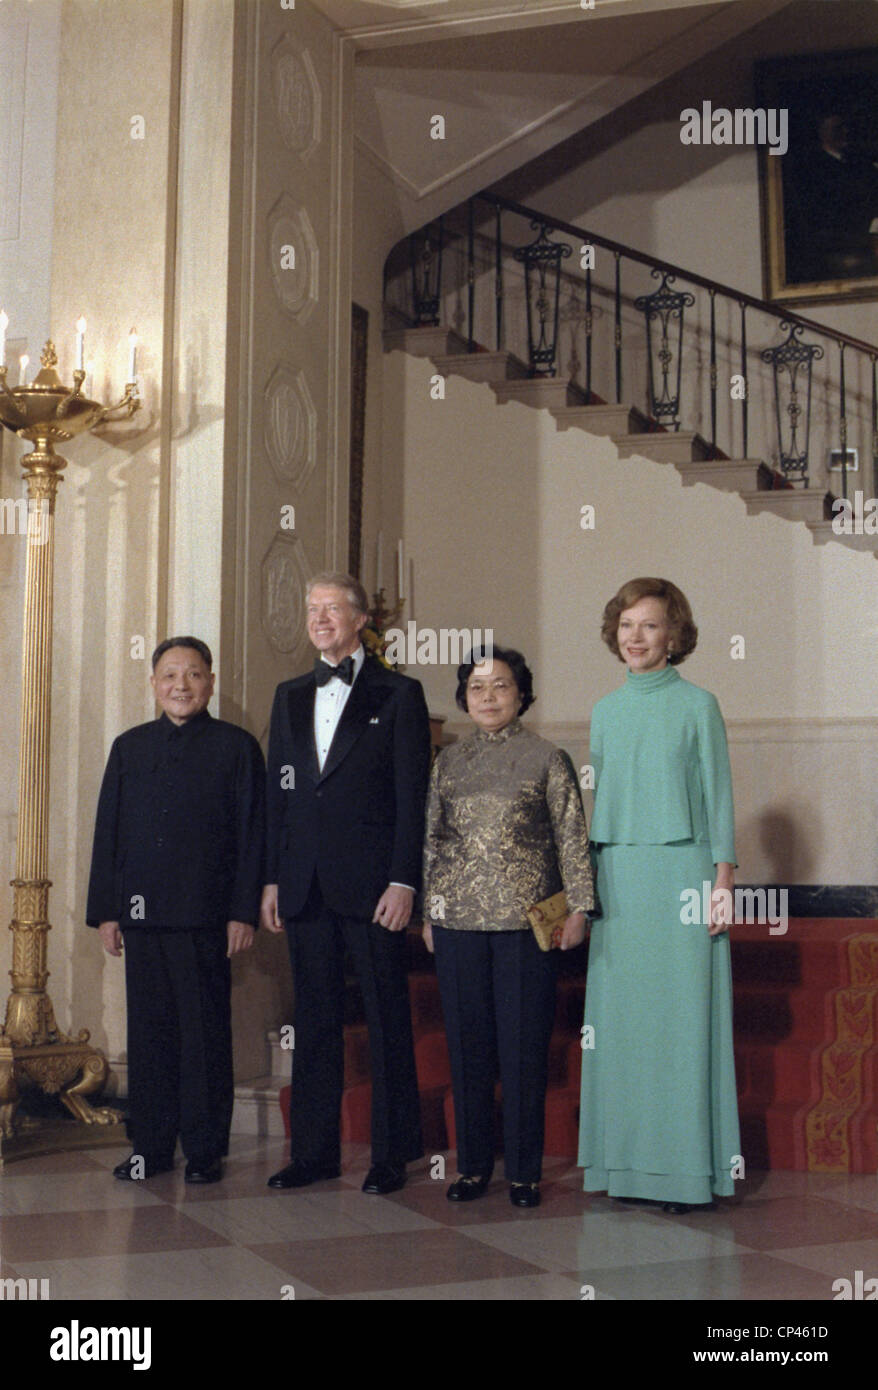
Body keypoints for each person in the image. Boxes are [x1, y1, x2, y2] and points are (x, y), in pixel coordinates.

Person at [261, 572, 431, 1195]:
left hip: (374, 888)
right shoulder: (287, 695)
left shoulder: (401, 693)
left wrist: (403, 881)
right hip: (303, 884)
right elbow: (279, 794)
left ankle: (393, 1155)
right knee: (314, 1020)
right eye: (312, 608)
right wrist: (273, 879)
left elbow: (412, 798)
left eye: (332, 607)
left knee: (386, 1018)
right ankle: (313, 1153)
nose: (320, 617)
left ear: (362, 619)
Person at [577, 578, 740, 1213]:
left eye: (649, 625)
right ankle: (623, 1167)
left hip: (684, 880)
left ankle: (683, 1174)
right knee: (621, 1028)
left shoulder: (700, 705)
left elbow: (720, 797)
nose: (636, 637)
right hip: (619, 880)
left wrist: (723, 883)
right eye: (626, 626)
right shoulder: (605, 711)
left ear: (673, 635)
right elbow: (600, 807)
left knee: (678, 1026)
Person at [87, 637, 265, 1184]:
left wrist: (243, 912)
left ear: (210, 683)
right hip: (142, 916)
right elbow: (109, 834)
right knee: (150, 1034)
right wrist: (108, 912)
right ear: (154, 684)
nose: (181, 686)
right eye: (170, 675)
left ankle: (206, 1148)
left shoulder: (237, 748)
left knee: (204, 1034)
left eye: (192, 675)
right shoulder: (130, 746)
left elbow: (252, 836)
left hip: (207, 916)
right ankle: (150, 1147)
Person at [423, 647, 595, 1209]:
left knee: (523, 1049)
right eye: (477, 688)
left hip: (528, 923)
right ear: (463, 699)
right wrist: (431, 911)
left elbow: (572, 837)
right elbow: (433, 841)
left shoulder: (548, 758)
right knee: (468, 1049)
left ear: (521, 694)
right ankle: (472, 1168)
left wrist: (580, 908)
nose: (489, 697)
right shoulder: (446, 763)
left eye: (500, 686)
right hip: (458, 925)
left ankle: (524, 1173)